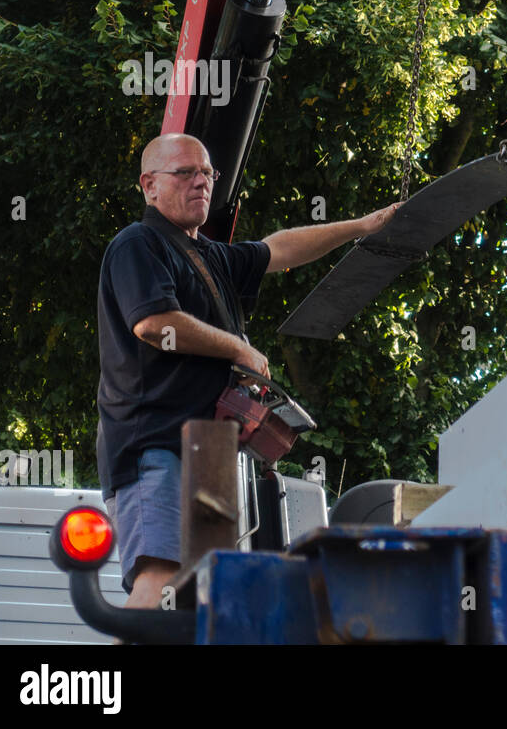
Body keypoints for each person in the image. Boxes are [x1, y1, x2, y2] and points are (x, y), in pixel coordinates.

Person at [96, 133, 399, 608]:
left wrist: (362, 225)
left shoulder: (211, 257)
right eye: (185, 173)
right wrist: (237, 348)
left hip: (208, 456)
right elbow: (153, 324)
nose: (201, 182)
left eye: (208, 173)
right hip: (154, 445)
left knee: (204, 594)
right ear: (149, 185)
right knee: (161, 575)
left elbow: (280, 249)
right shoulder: (137, 244)